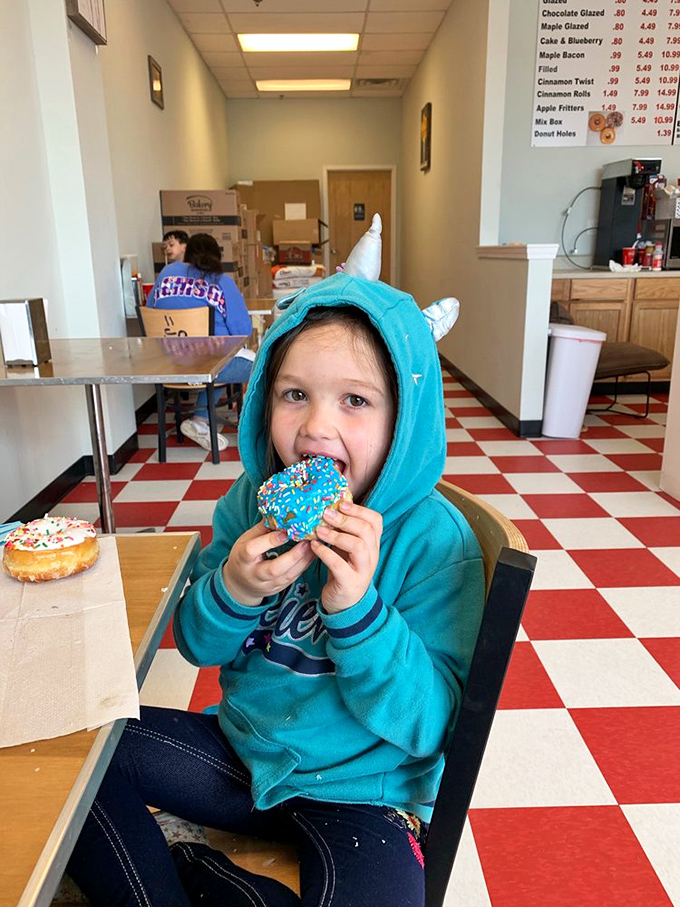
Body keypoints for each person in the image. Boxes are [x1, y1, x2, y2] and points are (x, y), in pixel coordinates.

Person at [66, 217, 485, 906]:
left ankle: (208, 878)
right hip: (240, 755)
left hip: (364, 793)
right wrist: (231, 585)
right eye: (295, 394)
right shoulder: (248, 505)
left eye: (355, 399)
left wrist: (360, 613)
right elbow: (196, 646)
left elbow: (432, 725)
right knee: (77, 747)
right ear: (264, 402)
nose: (317, 427)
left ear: (404, 417)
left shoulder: (434, 543)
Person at [148, 232, 253, 452]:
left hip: (167, 364)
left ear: (187, 253)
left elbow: (150, 311)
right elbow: (241, 331)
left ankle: (200, 419)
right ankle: (256, 429)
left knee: (212, 359)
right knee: (267, 366)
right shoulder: (222, 281)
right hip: (211, 364)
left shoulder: (167, 273)